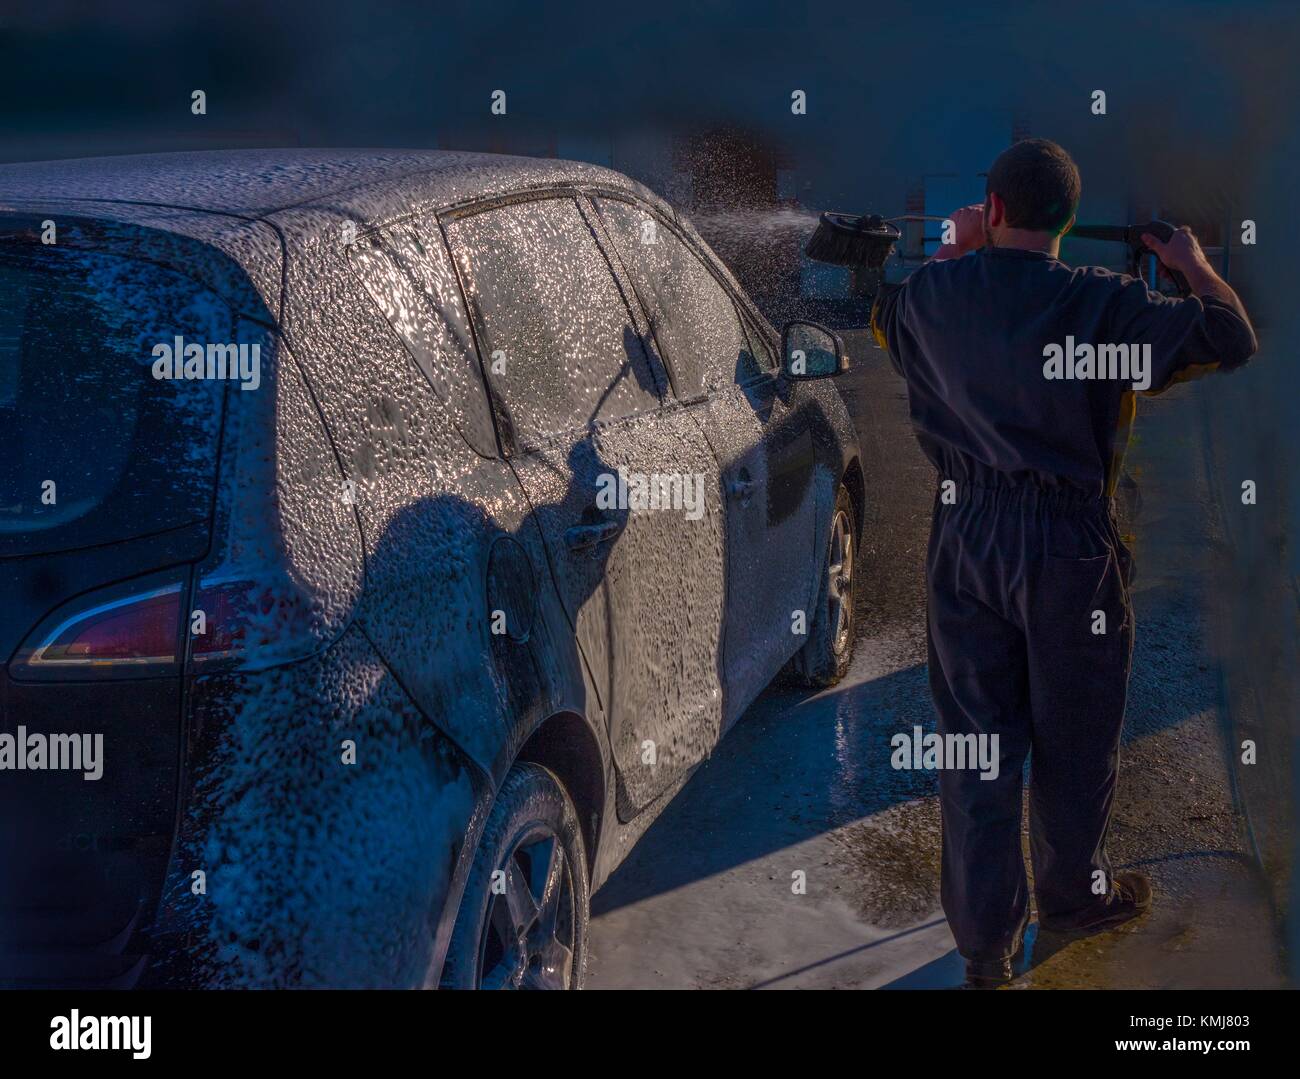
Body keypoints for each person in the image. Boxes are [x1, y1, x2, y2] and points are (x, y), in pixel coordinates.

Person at [870, 137, 1257, 987]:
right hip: (1069, 548)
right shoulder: (1111, 306)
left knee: (976, 746)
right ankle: (1075, 899)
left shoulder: (932, 293)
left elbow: (888, 320)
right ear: (1071, 220)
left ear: (995, 207)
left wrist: (957, 247)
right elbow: (1231, 337)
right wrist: (1191, 263)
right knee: (1075, 740)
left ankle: (984, 950)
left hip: (966, 537)